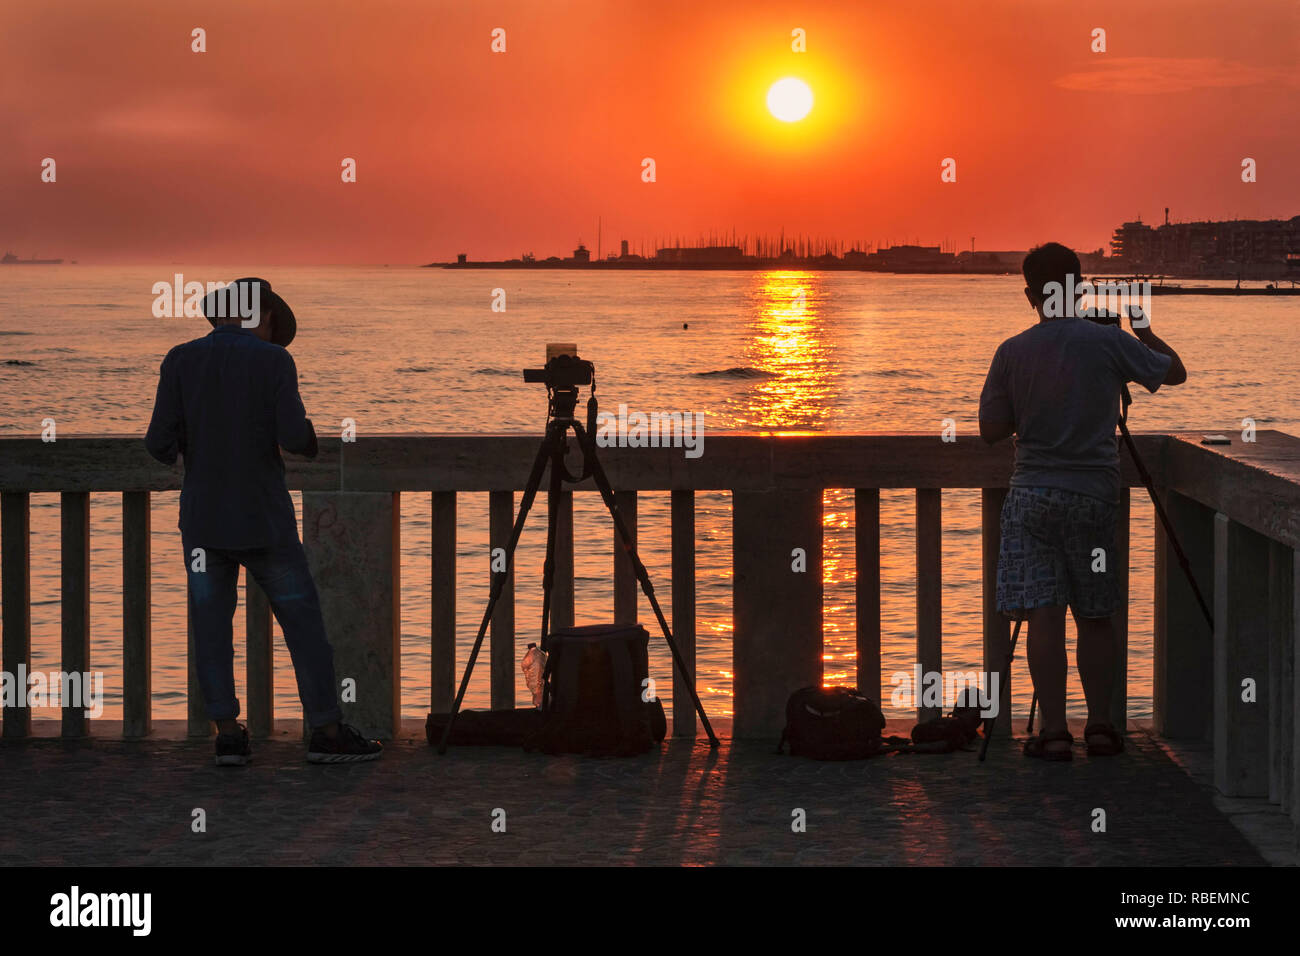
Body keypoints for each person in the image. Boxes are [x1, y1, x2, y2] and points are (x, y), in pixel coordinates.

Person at [145, 277, 382, 766]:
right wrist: (312, 441)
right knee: (303, 626)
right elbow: (294, 436)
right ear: (267, 316)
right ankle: (326, 731)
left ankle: (228, 735)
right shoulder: (274, 361)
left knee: (211, 628)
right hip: (263, 521)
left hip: (204, 524)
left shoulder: (180, 359)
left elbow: (157, 445)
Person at [978, 244, 1186, 761]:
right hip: (1093, 497)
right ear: (1080, 286)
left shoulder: (1012, 350)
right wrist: (1139, 327)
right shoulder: (1109, 343)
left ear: (1030, 294)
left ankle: (1052, 732)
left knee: (1043, 615)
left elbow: (989, 430)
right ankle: (1099, 726)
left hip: (1032, 498)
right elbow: (1174, 373)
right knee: (1095, 615)